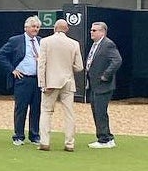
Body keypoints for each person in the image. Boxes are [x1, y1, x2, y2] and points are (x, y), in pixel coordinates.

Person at [36, 18, 84, 152]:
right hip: (68, 82)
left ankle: (44, 142)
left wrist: (42, 83)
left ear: (54, 28)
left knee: (46, 112)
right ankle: (69, 143)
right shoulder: (74, 43)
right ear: (67, 29)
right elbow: (79, 67)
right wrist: (68, 68)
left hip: (50, 82)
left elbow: (41, 64)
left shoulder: (45, 42)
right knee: (69, 114)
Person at [0, 16, 43, 146]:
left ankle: (34, 135)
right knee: (21, 108)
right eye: (33, 26)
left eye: (37, 27)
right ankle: (18, 136)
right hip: (23, 79)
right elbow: (1, 55)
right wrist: (12, 70)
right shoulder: (16, 41)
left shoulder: (41, 41)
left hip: (38, 80)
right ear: (26, 27)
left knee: (36, 108)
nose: (35, 29)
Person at [85, 21, 122, 149]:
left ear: (102, 32)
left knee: (100, 112)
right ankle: (106, 137)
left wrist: (106, 75)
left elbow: (117, 60)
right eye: (91, 30)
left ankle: (104, 139)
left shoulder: (107, 44)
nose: (91, 32)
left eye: (94, 30)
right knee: (97, 111)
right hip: (94, 84)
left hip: (103, 85)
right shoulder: (96, 45)